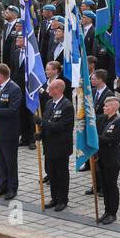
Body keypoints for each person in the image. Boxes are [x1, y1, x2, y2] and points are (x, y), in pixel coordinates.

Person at [0, 63, 22, 200]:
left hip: (9, 133)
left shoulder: (14, 89)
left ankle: (12, 188)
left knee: (10, 162)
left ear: (1, 75)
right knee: (0, 161)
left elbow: (13, 111)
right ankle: (3, 185)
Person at [40, 78, 73, 211]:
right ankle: (54, 198)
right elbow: (47, 121)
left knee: (61, 174)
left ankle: (62, 200)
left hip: (61, 147)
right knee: (51, 173)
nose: (48, 90)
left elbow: (61, 126)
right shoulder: (49, 103)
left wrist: (43, 124)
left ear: (58, 90)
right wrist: (40, 134)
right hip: (49, 146)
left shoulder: (67, 106)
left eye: (51, 88)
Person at [95, 96, 120, 225]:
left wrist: (96, 138)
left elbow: (112, 140)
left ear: (113, 107)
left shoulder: (118, 122)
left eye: (106, 106)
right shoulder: (102, 119)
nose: (103, 108)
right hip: (101, 158)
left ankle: (113, 213)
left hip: (112, 159)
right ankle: (106, 211)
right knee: (105, 187)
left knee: (111, 186)